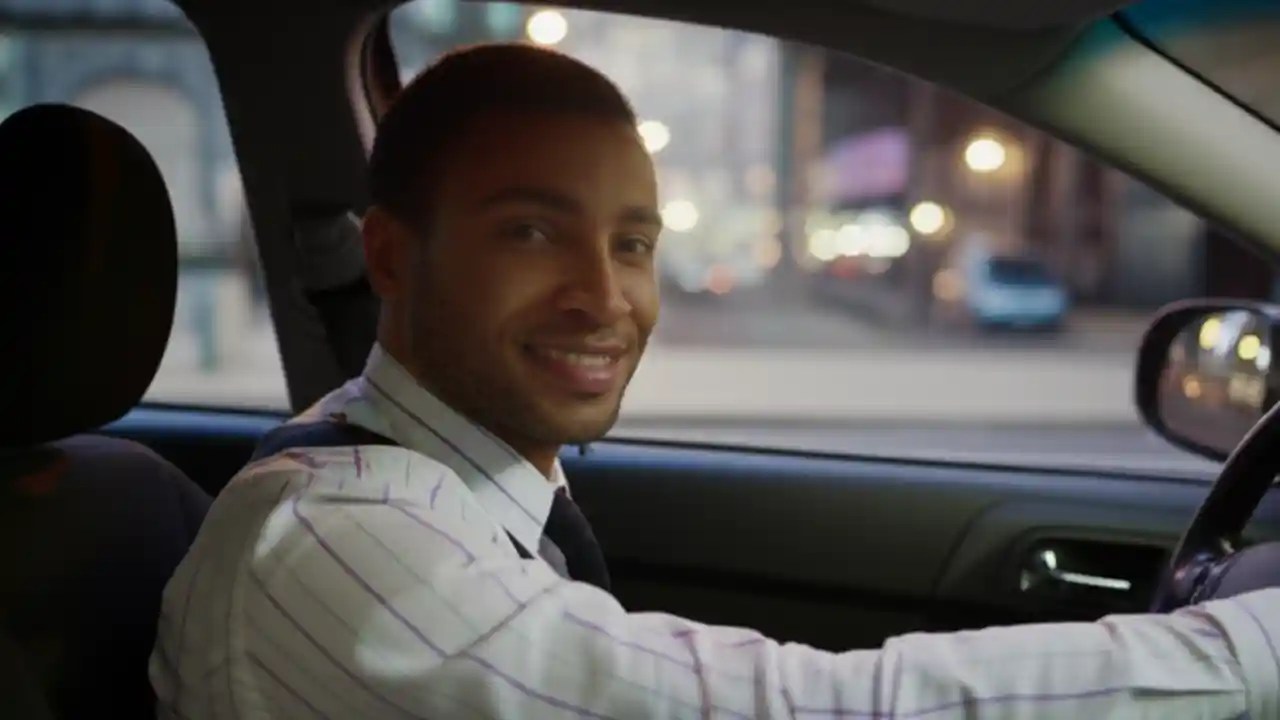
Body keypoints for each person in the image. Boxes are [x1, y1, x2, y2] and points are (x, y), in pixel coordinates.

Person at [151, 43, 1280, 719]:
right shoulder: (335, 545)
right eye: (532, 233)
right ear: (392, 255)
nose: (604, 297)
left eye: (632, 244)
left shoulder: (444, 485)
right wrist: (1248, 652)